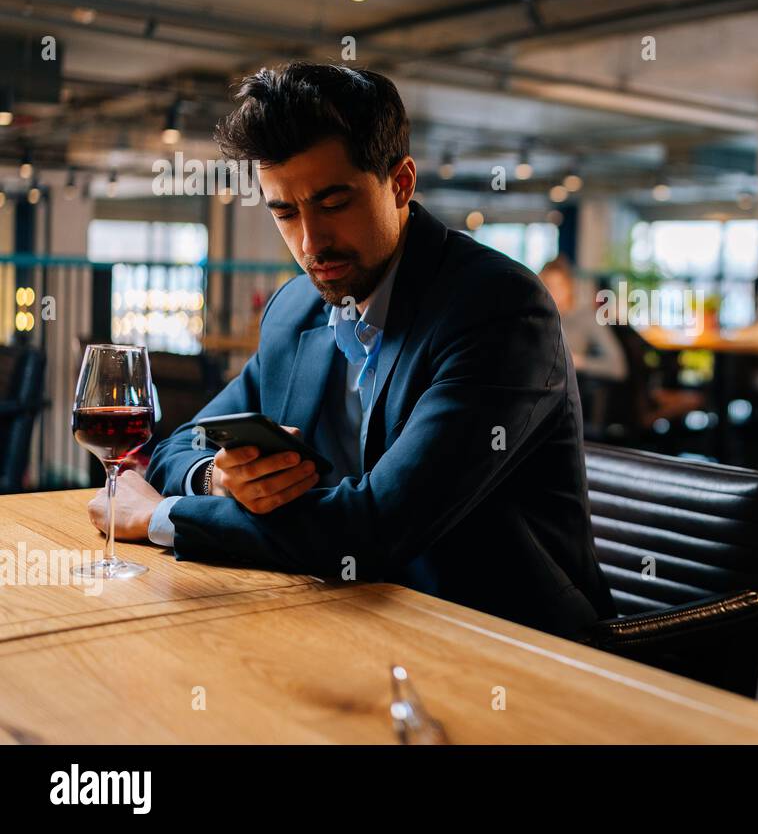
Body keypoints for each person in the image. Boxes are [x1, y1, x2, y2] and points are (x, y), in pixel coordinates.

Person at [87, 62, 615, 639]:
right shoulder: (296, 310)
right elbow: (184, 443)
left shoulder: (499, 310)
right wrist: (218, 478)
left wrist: (161, 516)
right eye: (285, 212)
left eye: (334, 202)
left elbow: (374, 529)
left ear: (402, 184)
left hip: (506, 642)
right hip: (344, 615)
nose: (311, 243)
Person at [539, 256, 626, 382]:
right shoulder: (537, 317)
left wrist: (578, 362)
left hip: (564, 390)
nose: (552, 292)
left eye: (558, 286)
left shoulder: (586, 318)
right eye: (547, 286)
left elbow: (617, 366)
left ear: (569, 287)